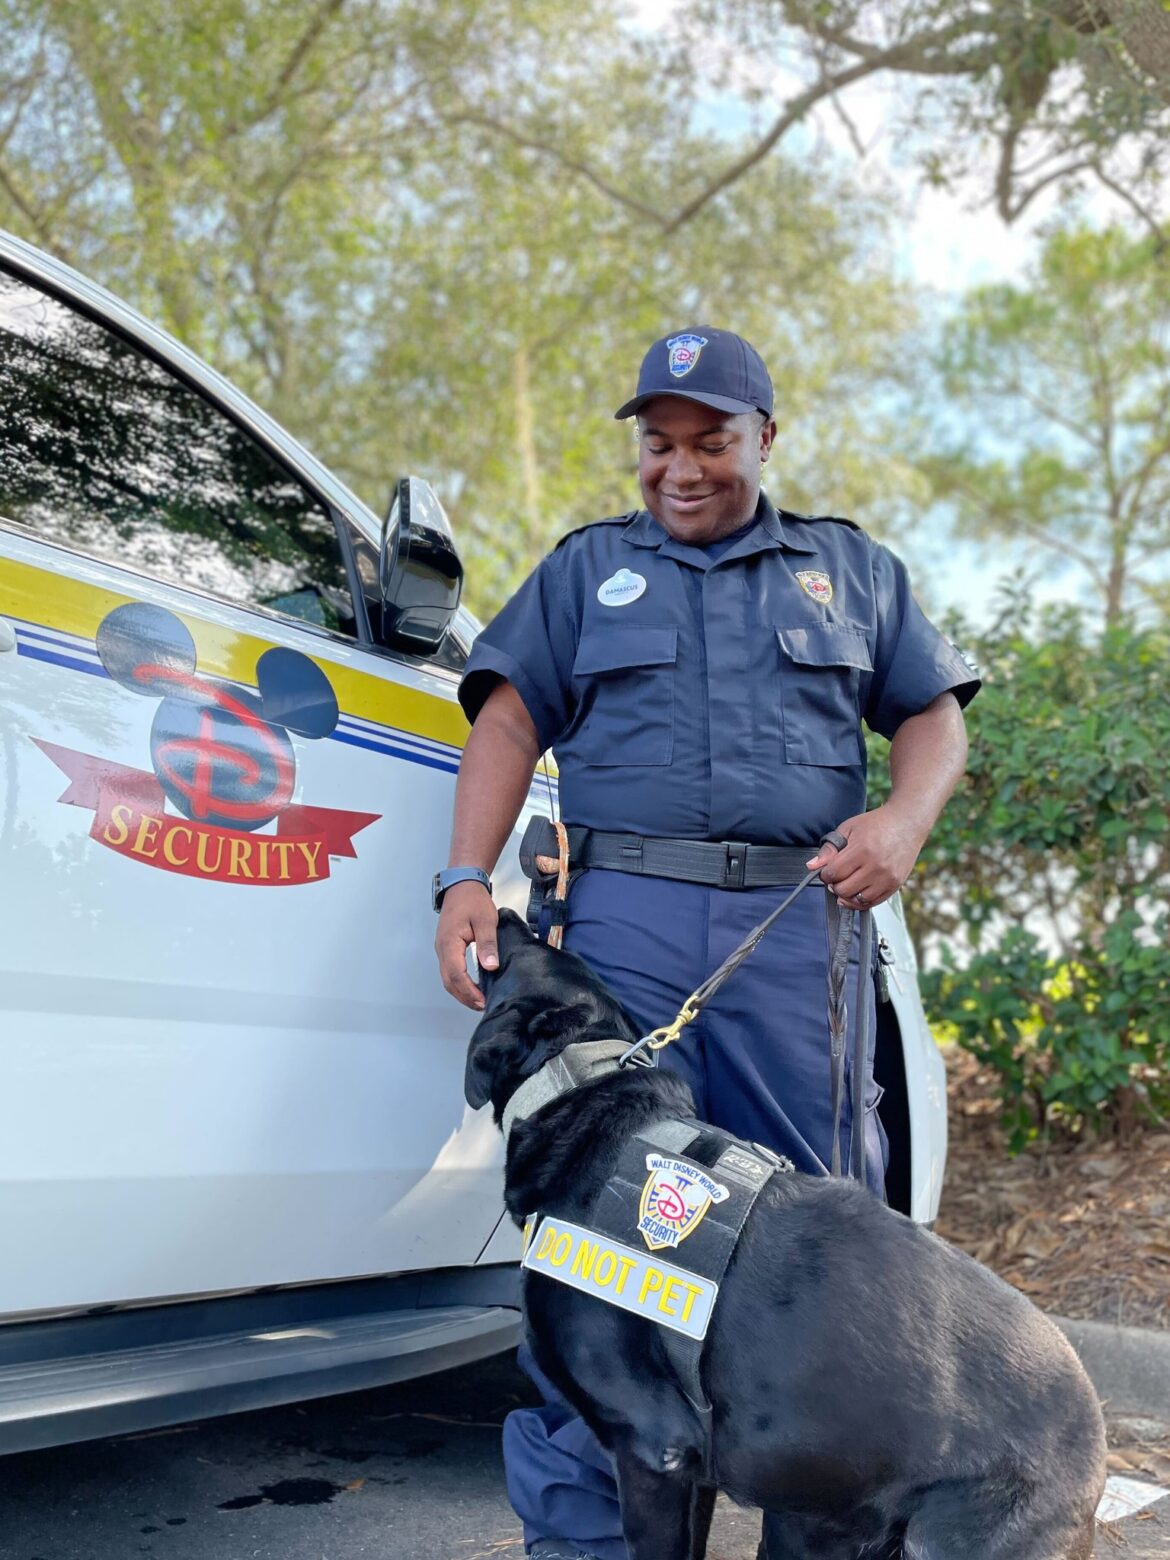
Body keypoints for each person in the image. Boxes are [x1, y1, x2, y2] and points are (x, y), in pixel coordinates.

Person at [433, 326, 979, 1560]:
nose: (682, 469)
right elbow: (509, 719)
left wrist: (903, 818)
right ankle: (584, 1542)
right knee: (599, 1241)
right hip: (623, 935)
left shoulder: (850, 570)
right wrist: (465, 876)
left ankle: (824, 1540)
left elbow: (934, 719)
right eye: (659, 444)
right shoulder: (585, 573)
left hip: (799, 942)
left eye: (712, 442)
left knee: (818, 1254)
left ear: (764, 440)